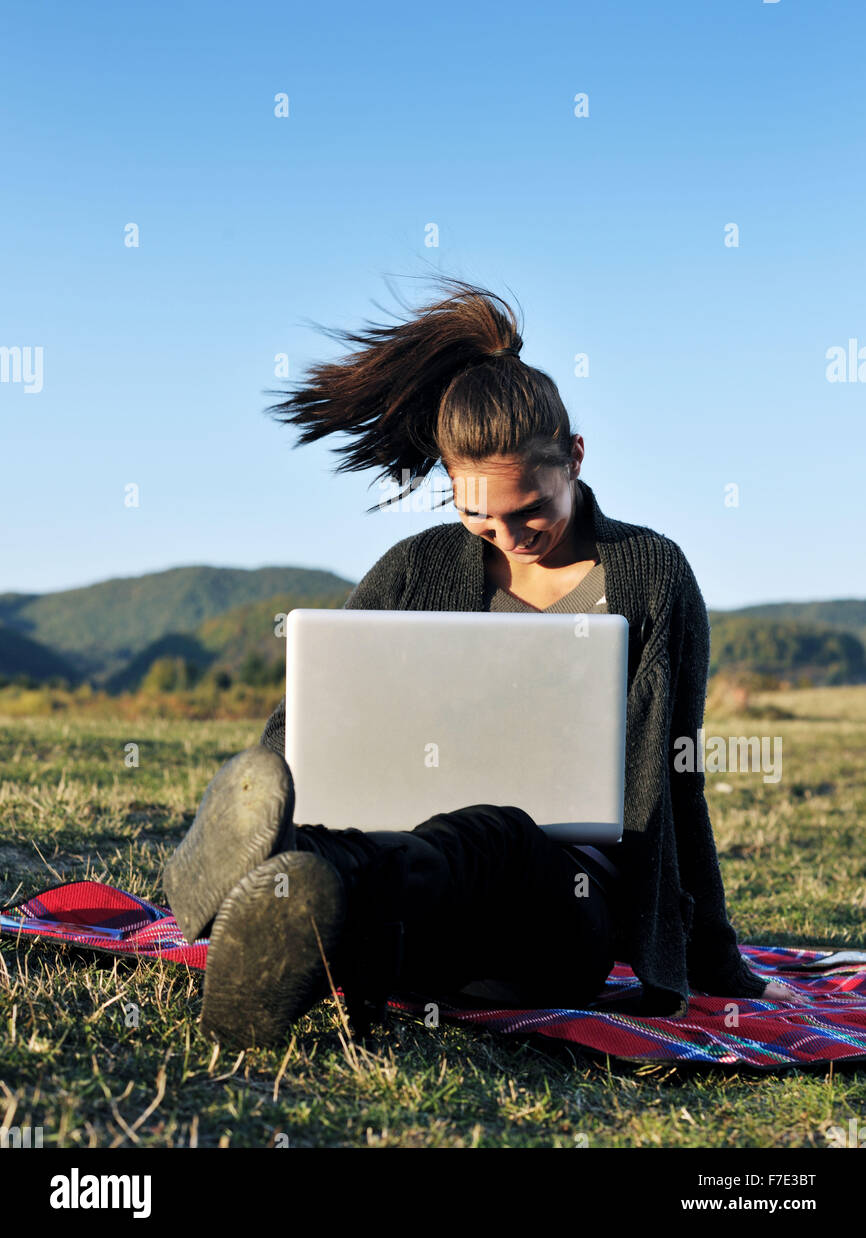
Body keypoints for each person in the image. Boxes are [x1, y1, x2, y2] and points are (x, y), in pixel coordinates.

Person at [164, 275, 807, 1048]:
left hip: (561, 919)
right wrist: (258, 795)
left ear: (573, 458)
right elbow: (304, 722)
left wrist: (719, 964)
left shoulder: (650, 574)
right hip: (429, 926)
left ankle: (308, 878)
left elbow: (681, 778)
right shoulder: (414, 567)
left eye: (529, 508)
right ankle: (304, 892)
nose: (506, 534)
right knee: (407, 862)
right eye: (475, 513)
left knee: (497, 835)